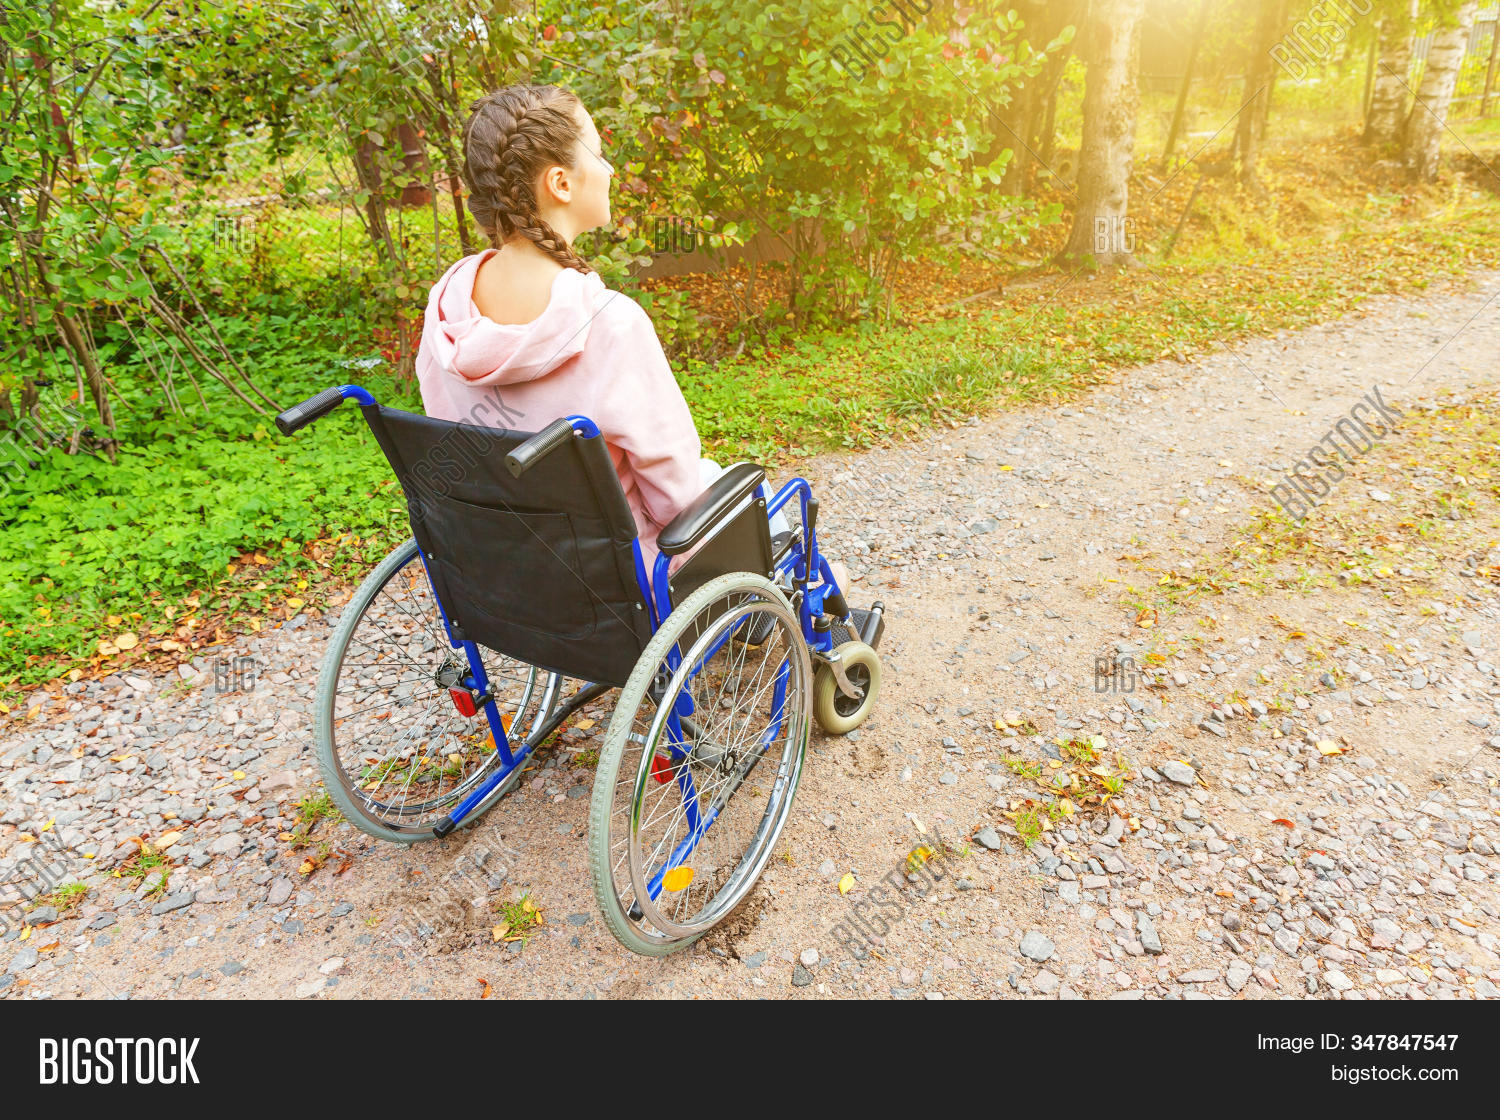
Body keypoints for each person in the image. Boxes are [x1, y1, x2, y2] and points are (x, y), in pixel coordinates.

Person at [414, 83, 846, 591]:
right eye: (598, 153)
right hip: (623, 583)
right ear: (560, 183)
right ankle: (801, 601)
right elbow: (675, 496)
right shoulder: (608, 322)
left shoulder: (446, 309)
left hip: (513, 573)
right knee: (753, 494)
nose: (610, 170)